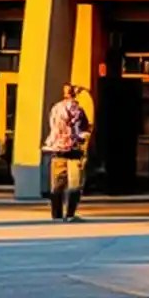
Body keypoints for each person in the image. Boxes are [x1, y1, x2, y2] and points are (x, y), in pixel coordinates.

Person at [43, 83, 91, 222]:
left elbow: (52, 126)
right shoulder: (77, 109)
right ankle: (70, 213)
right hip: (73, 150)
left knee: (58, 183)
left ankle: (56, 214)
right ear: (74, 94)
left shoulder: (55, 108)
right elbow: (79, 130)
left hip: (57, 149)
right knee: (75, 184)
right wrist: (84, 137)